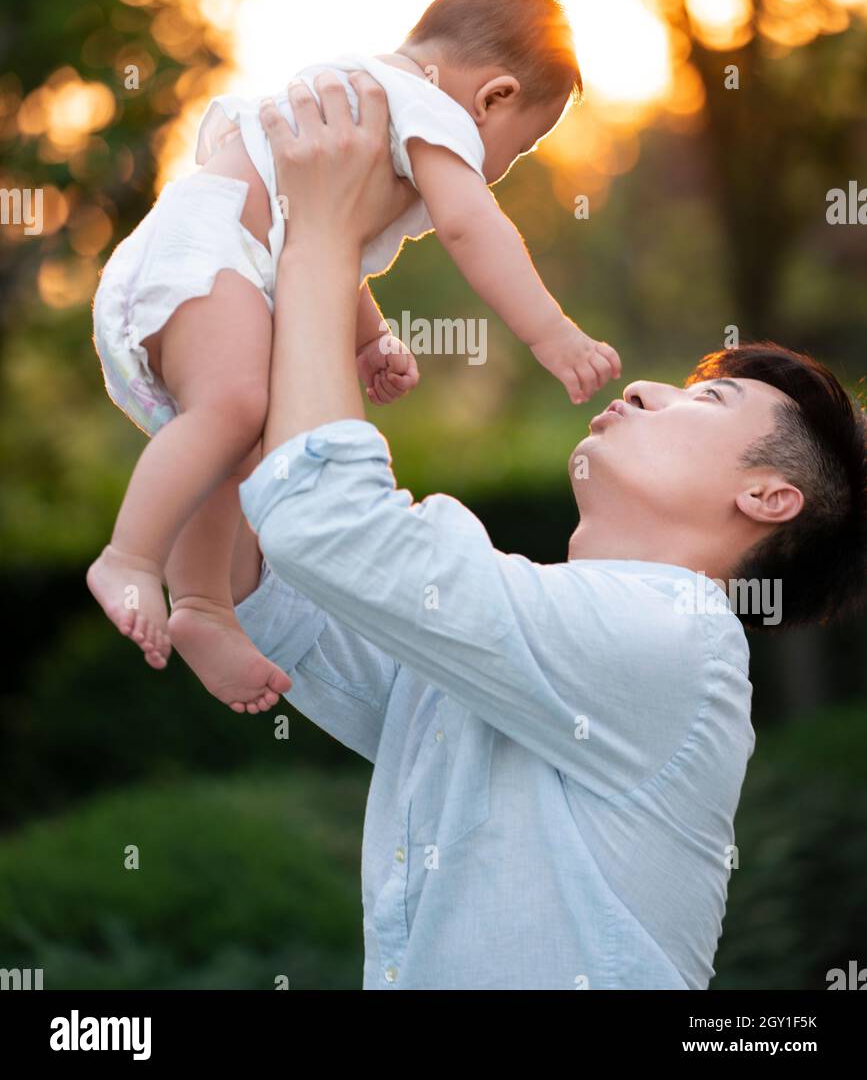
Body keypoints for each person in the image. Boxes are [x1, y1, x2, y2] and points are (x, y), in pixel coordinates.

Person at [230, 71, 866, 991]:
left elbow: (327, 527)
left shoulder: (674, 637)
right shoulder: (524, 653)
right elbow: (282, 595)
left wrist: (327, 237)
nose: (645, 388)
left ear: (769, 497)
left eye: (707, 398)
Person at [87, 0, 621, 712]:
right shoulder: (429, 110)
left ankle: (204, 607)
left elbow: (319, 242)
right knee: (235, 406)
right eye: (518, 150)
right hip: (206, 254)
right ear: (491, 97)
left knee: (236, 435)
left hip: (226, 260)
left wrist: (369, 337)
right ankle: (128, 557)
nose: (496, 170)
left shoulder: (367, 98)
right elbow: (474, 228)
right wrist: (552, 334)